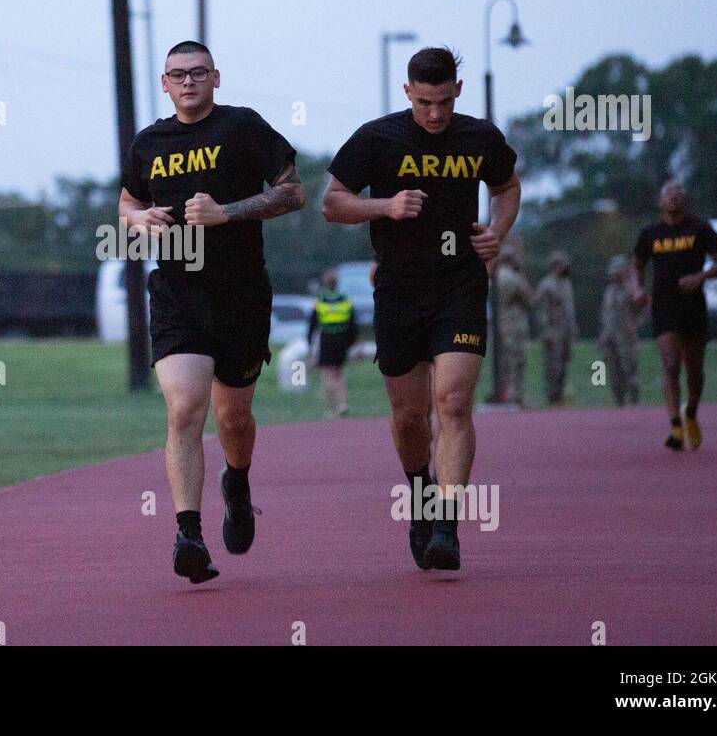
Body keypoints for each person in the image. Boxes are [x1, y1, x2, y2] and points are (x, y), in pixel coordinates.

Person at [323, 46, 520, 571]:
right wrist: (384, 206)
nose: (435, 114)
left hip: (459, 283)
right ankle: (420, 494)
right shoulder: (377, 138)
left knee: (453, 402)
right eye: (425, 102)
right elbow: (332, 202)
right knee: (410, 415)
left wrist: (496, 234)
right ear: (408, 92)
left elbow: (506, 187)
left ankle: (448, 526)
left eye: (443, 102)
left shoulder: (480, 137)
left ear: (458, 90)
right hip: (399, 289)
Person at [119, 41, 305, 583]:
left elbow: (293, 193)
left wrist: (227, 213)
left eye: (198, 73)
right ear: (164, 83)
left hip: (241, 295)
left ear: (216, 77)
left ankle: (238, 483)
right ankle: (188, 535)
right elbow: (126, 203)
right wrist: (139, 218)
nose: (188, 82)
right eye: (177, 75)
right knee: (184, 410)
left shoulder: (242, 127)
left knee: (233, 419)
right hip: (178, 297)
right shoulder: (149, 142)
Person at [633, 181, 717, 450]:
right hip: (664, 306)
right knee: (671, 364)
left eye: (679, 194)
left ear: (685, 201)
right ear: (660, 202)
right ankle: (675, 426)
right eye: (669, 194)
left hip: (693, 306)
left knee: (694, 369)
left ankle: (691, 413)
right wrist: (638, 289)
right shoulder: (651, 233)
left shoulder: (700, 228)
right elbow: (638, 264)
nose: (674, 197)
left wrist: (702, 276)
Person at [307, 269, 358, 418]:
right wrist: (351, 341)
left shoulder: (320, 300)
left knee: (327, 374)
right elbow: (353, 323)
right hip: (342, 339)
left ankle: (330, 408)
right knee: (340, 373)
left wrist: (309, 342)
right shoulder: (345, 300)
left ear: (324, 283)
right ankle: (343, 404)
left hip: (327, 339)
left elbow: (312, 324)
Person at [598, 254, 642, 406]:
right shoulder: (609, 290)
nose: (615, 274)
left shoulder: (631, 289)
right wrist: (602, 335)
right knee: (613, 371)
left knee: (629, 369)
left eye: (618, 271)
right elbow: (606, 313)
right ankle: (619, 402)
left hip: (626, 336)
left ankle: (633, 401)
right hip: (610, 335)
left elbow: (643, 309)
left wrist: (635, 325)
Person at [494, 237, 534, 406]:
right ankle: (513, 394)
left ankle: (508, 393)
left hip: (506, 321)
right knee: (515, 359)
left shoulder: (500, 275)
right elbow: (528, 298)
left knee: (509, 359)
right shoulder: (510, 276)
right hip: (513, 322)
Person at [535, 251, 578, 405]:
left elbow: (570, 308)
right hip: (553, 331)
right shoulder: (546, 284)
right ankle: (551, 396)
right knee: (553, 365)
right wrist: (546, 332)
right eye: (562, 265)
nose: (565, 268)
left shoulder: (566, 283)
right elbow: (541, 310)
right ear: (555, 266)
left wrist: (573, 329)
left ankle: (559, 395)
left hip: (566, 330)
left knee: (564, 363)